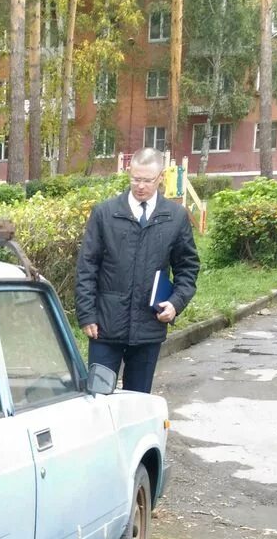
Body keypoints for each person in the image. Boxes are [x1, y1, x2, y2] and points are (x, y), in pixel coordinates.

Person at [74, 148, 201, 394]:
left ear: (160, 178)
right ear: (129, 174)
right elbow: (87, 266)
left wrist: (176, 303)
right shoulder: (105, 213)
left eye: (147, 180)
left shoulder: (175, 217)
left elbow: (188, 267)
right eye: (135, 179)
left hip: (149, 326)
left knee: (139, 401)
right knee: (99, 398)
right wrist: (87, 314)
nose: (140, 186)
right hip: (105, 326)